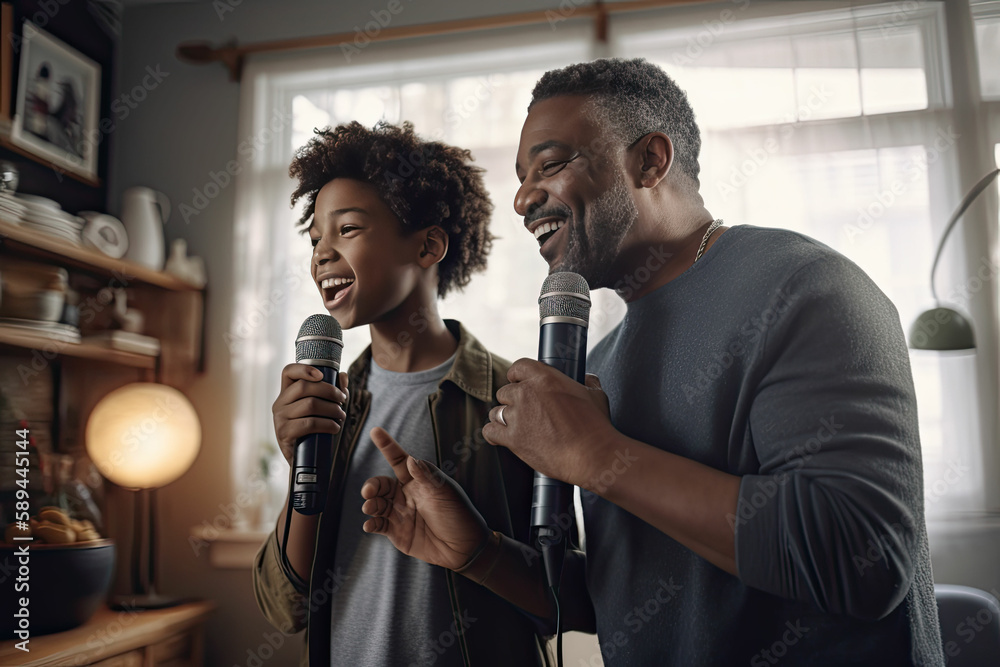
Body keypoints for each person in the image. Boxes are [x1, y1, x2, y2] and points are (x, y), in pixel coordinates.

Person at [359, 59, 946, 665]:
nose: (522, 197)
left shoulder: (805, 289)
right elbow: (634, 597)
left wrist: (597, 456)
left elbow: (863, 559)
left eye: (551, 164)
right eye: (520, 176)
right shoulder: (604, 363)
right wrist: (479, 553)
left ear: (650, 160)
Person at [252, 121, 553, 666]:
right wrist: (302, 465)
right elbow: (285, 608)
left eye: (347, 229)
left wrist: (478, 550)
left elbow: (561, 604)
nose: (321, 253)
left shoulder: (515, 399)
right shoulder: (324, 404)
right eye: (315, 237)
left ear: (428, 245)